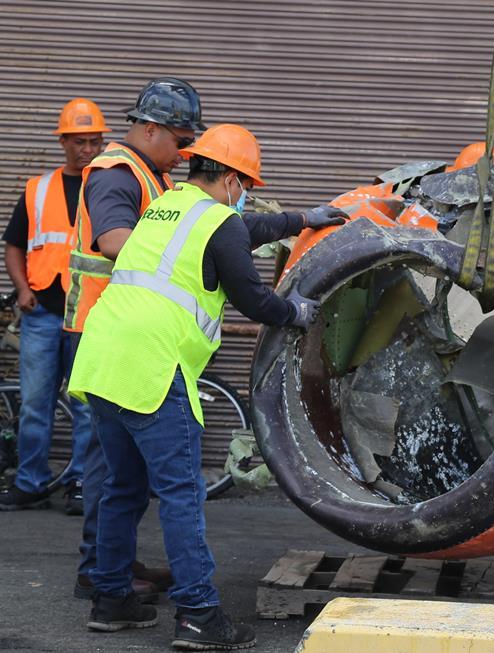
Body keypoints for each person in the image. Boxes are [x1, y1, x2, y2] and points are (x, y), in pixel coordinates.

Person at [66, 78, 345, 604]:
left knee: (123, 490)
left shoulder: (165, 206)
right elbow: (256, 300)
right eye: (248, 187)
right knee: (181, 494)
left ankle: (111, 601)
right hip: (152, 366)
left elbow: (239, 231)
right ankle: (199, 613)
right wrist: (299, 313)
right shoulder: (161, 196)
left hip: (102, 358)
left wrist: (301, 219)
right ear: (234, 181)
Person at [0, 99, 104, 514]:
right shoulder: (37, 190)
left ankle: (81, 481)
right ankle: (30, 482)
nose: (88, 149)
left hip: (89, 314)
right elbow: (13, 245)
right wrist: (22, 289)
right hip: (42, 311)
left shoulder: (109, 184)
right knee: (36, 404)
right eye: (80, 141)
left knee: (85, 404)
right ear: (63, 142)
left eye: (95, 141)